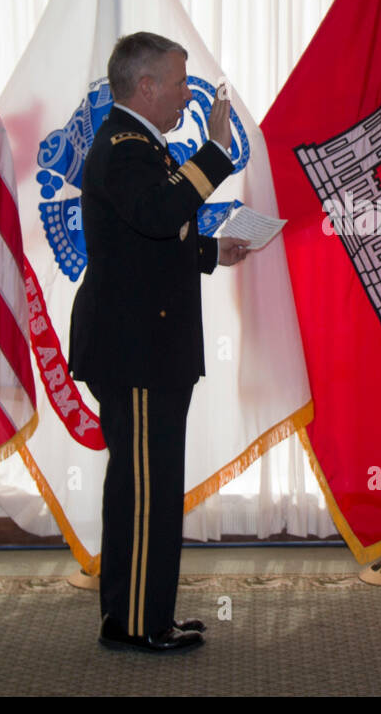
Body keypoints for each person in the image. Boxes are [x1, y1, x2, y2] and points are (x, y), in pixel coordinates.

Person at [69, 32, 250, 654]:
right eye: (177, 81)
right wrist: (216, 154)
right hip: (137, 350)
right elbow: (154, 213)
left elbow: (147, 236)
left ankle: (139, 611)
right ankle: (139, 623)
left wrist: (209, 250)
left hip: (142, 344)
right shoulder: (125, 147)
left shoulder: (139, 143)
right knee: (146, 489)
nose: (185, 92)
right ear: (144, 87)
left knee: (142, 484)